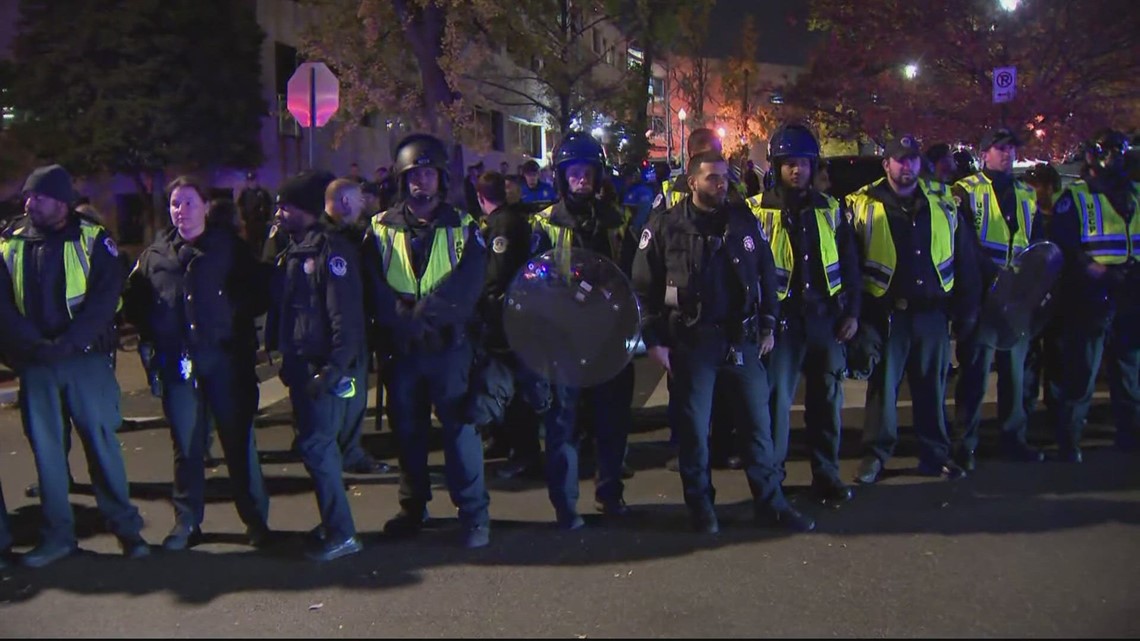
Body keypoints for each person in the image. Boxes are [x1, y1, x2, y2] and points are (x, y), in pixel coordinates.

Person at [632, 151, 815, 533]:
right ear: (692, 182)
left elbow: (766, 272)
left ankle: (771, 504)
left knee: (757, 429)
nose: (721, 184)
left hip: (742, 339)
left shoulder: (742, 221)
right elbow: (644, 288)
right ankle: (701, 507)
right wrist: (654, 340)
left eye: (724, 178)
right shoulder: (666, 226)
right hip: (691, 342)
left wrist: (768, 324)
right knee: (695, 433)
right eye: (712, 178)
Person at [0, 164, 150, 567]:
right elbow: (2, 306)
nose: (31, 204)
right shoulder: (10, 241)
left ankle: (127, 531)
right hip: (37, 364)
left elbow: (104, 300)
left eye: (41, 197)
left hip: (84, 360)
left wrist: (67, 342)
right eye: (28, 197)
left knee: (102, 448)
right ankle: (58, 537)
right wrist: (33, 345)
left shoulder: (93, 239)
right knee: (47, 456)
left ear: (63, 201)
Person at [123, 176, 272, 551]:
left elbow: (258, 292)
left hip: (224, 360)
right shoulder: (156, 255)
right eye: (175, 204)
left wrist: (232, 325)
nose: (181, 211)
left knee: (237, 443)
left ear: (206, 207)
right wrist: (155, 333)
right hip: (178, 364)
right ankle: (187, 522)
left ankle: (255, 520)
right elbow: (137, 302)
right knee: (186, 447)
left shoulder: (228, 248)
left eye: (189, 202)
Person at [363, 133, 491, 548]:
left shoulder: (465, 227)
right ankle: (413, 507)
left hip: (448, 346)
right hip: (403, 350)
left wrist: (419, 317)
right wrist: (402, 320)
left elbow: (467, 287)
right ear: (403, 179)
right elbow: (373, 286)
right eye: (414, 174)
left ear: (441, 179)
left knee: (459, 431)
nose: (422, 181)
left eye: (429, 174)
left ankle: (473, 515)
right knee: (409, 432)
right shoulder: (380, 228)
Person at [847, 135, 982, 484]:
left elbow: (964, 257)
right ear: (886, 164)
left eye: (912, 160)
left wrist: (966, 310)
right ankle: (875, 456)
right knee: (883, 391)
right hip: (887, 312)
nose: (906, 167)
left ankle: (934, 455)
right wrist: (857, 316)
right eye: (899, 160)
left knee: (932, 389)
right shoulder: (861, 204)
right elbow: (850, 263)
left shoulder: (942, 202)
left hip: (932, 313)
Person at [745, 124, 861, 503]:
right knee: (777, 404)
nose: (798, 171)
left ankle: (826, 474)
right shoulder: (755, 211)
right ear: (777, 166)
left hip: (824, 320)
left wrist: (851, 313)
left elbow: (850, 265)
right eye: (790, 164)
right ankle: (773, 478)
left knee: (827, 402)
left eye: (804, 164)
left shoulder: (830, 209)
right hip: (780, 324)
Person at [529, 132, 637, 528]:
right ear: (561, 177)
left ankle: (611, 494)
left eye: (587, 172)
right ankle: (566, 504)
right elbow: (529, 284)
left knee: (613, 423)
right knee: (563, 426)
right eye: (573, 172)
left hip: (609, 337)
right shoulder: (543, 224)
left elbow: (632, 275)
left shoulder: (619, 220)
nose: (581, 180)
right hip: (564, 340)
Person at [269, 170, 365, 561]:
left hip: (321, 370)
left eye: (285, 207)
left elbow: (345, 319)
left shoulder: (329, 251)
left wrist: (332, 372)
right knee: (315, 448)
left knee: (318, 448)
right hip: (302, 367)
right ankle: (333, 523)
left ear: (305, 210)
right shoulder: (295, 247)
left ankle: (342, 533)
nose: (278, 213)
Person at [950, 128, 1046, 470]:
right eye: (1000, 149)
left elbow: (1035, 245)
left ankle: (1013, 439)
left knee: (1014, 374)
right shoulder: (965, 189)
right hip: (981, 296)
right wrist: (990, 277)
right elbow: (963, 243)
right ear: (984, 152)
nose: (1007, 155)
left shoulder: (1025, 193)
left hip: (1015, 299)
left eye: (1011, 149)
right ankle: (965, 444)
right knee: (974, 375)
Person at [1049, 128, 1140, 460]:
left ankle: (1130, 435)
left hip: (1130, 294)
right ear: (1092, 156)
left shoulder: (1135, 193)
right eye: (1109, 152)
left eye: (1120, 151)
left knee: (1129, 372)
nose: (1115, 158)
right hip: (1091, 296)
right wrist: (1092, 269)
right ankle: (1069, 440)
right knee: (1082, 373)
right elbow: (1062, 246)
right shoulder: (1078, 197)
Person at [468, 171, 550, 480]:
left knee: (513, 389)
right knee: (501, 385)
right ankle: (505, 441)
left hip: (505, 318)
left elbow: (496, 275)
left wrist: (486, 307)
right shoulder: (512, 219)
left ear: (480, 197)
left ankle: (524, 451)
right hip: (511, 316)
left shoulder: (502, 225)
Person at [322, 178, 390, 475]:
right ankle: (344, 452)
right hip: (343, 332)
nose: (364, 205)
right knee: (347, 399)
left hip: (352, 328)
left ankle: (344, 450)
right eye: (359, 199)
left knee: (350, 398)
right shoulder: (332, 241)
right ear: (346, 202)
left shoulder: (345, 236)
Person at [1021, 163, 1064, 419]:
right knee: (1029, 356)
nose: (1032, 190)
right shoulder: (1026, 212)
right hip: (1030, 296)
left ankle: (1056, 409)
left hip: (1058, 295)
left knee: (1057, 353)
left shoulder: (1065, 214)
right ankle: (1026, 407)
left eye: (1036, 185)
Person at [237, 171, 273, 257]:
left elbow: (269, 204)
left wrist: (267, 217)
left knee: (263, 241)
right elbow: (241, 206)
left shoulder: (262, 192)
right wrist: (243, 218)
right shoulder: (244, 193)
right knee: (252, 242)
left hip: (261, 221)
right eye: (249, 180)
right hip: (250, 222)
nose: (251, 182)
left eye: (253, 180)